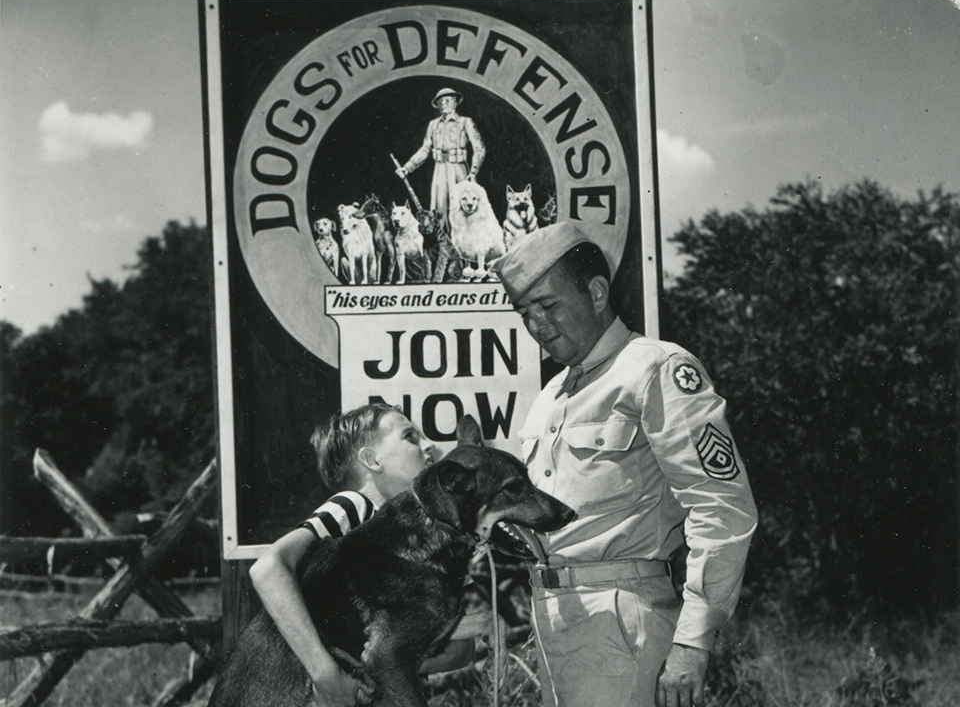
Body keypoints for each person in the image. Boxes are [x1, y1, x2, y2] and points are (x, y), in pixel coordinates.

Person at [492, 222, 758, 707]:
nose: (536, 326)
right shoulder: (551, 396)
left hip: (624, 621)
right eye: (524, 312)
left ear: (596, 292)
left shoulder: (655, 369)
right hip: (554, 623)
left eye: (548, 306)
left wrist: (692, 641)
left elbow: (723, 509)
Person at [250, 404, 499, 707]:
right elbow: (267, 568)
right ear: (371, 460)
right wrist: (325, 673)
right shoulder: (354, 506)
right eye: (410, 437)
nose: (429, 445)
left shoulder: (429, 536)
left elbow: (461, 651)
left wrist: (385, 660)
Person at [395, 87, 485, 230]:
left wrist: (473, 173)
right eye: (440, 102)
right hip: (440, 170)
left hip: (459, 170)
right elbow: (425, 149)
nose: (443, 104)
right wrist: (407, 167)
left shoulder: (465, 122)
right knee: (439, 208)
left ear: (455, 103)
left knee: (462, 208)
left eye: (447, 101)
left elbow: (479, 149)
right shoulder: (433, 124)